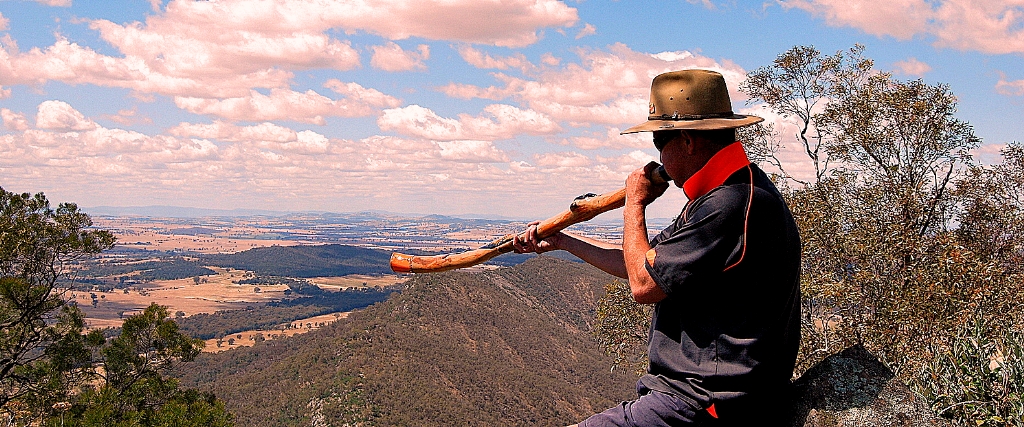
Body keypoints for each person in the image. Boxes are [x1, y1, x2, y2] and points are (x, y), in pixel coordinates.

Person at [514, 69, 801, 426]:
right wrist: (563, 241)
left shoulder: (729, 203)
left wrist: (635, 203)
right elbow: (648, 263)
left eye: (659, 142)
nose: (658, 159)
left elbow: (644, 285)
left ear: (688, 140)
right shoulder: (729, 192)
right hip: (701, 397)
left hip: (705, 402)